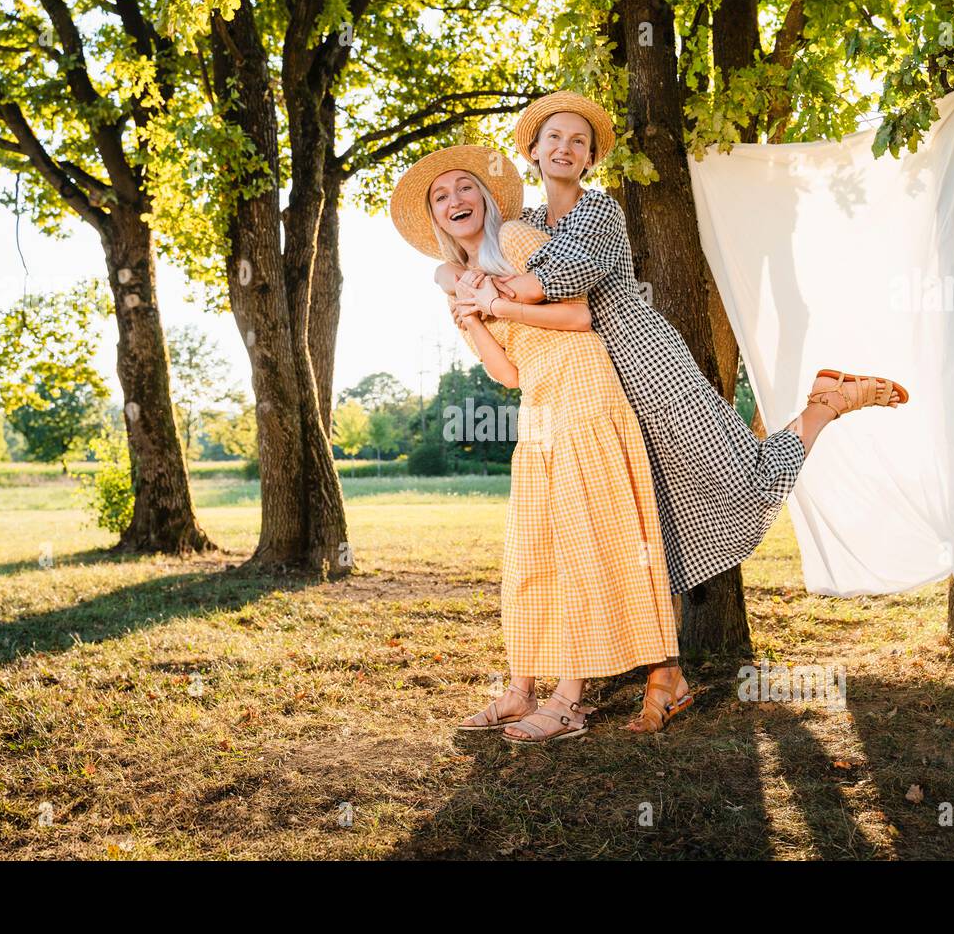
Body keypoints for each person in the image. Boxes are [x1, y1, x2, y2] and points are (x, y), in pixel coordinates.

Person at [472, 91, 909, 716]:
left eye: (578, 141)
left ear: (591, 160)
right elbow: (508, 294)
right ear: (532, 152)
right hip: (592, 397)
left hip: (650, 369)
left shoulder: (600, 212)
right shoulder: (524, 231)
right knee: (653, 525)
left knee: (736, 477)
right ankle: (666, 677)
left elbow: (558, 284)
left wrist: (495, 297)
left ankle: (825, 406)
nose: (565, 148)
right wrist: (480, 290)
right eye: (553, 138)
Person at [389, 144, 694, 740]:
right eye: (441, 195)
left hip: (582, 387)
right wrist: (472, 316)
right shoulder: (458, 280)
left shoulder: (524, 243)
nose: (456, 199)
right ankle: (521, 690)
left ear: (485, 198)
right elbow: (507, 373)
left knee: (581, 545)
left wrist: (495, 300)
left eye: (464, 187)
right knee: (532, 552)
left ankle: (569, 701)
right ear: (435, 217)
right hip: (539, 407)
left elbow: (580, 317)